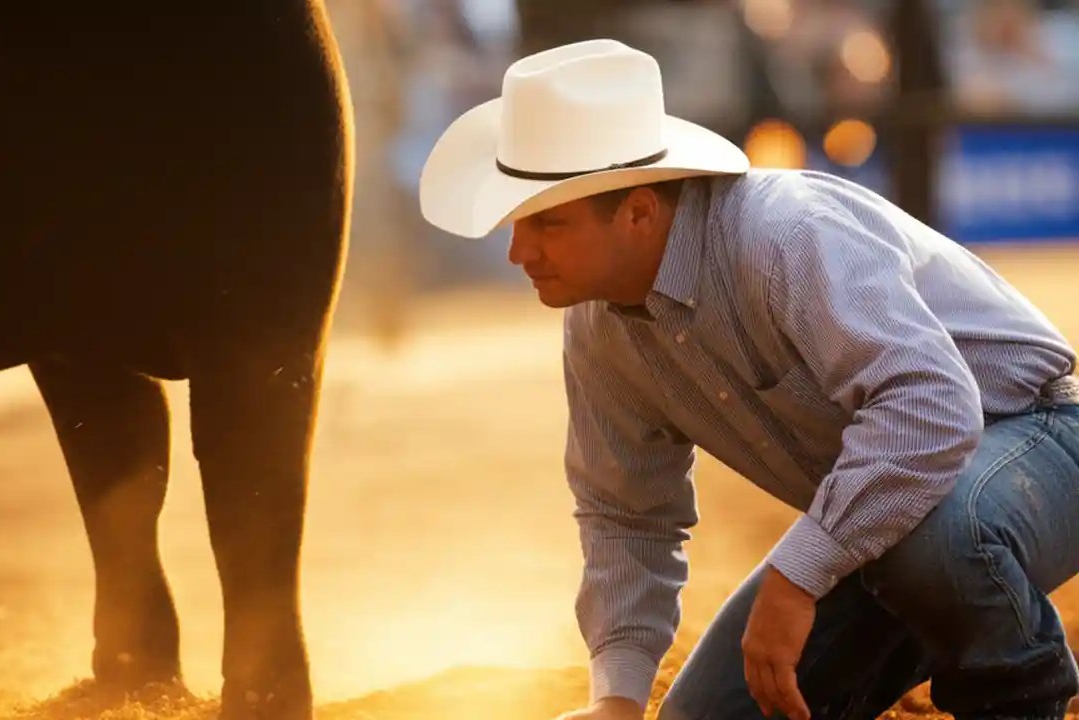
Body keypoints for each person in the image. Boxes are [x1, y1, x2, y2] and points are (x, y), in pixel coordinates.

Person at [418, 39, 1079, 720]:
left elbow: (932, 407)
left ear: (640, 211)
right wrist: (616, 699)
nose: (518, 251)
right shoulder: (596, 327)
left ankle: (1022, 697)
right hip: (886, 521)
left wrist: (798, 576)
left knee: (933, 541)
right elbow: (627, 517)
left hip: (1041, 435)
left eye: (546, 222)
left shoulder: (786, 235)